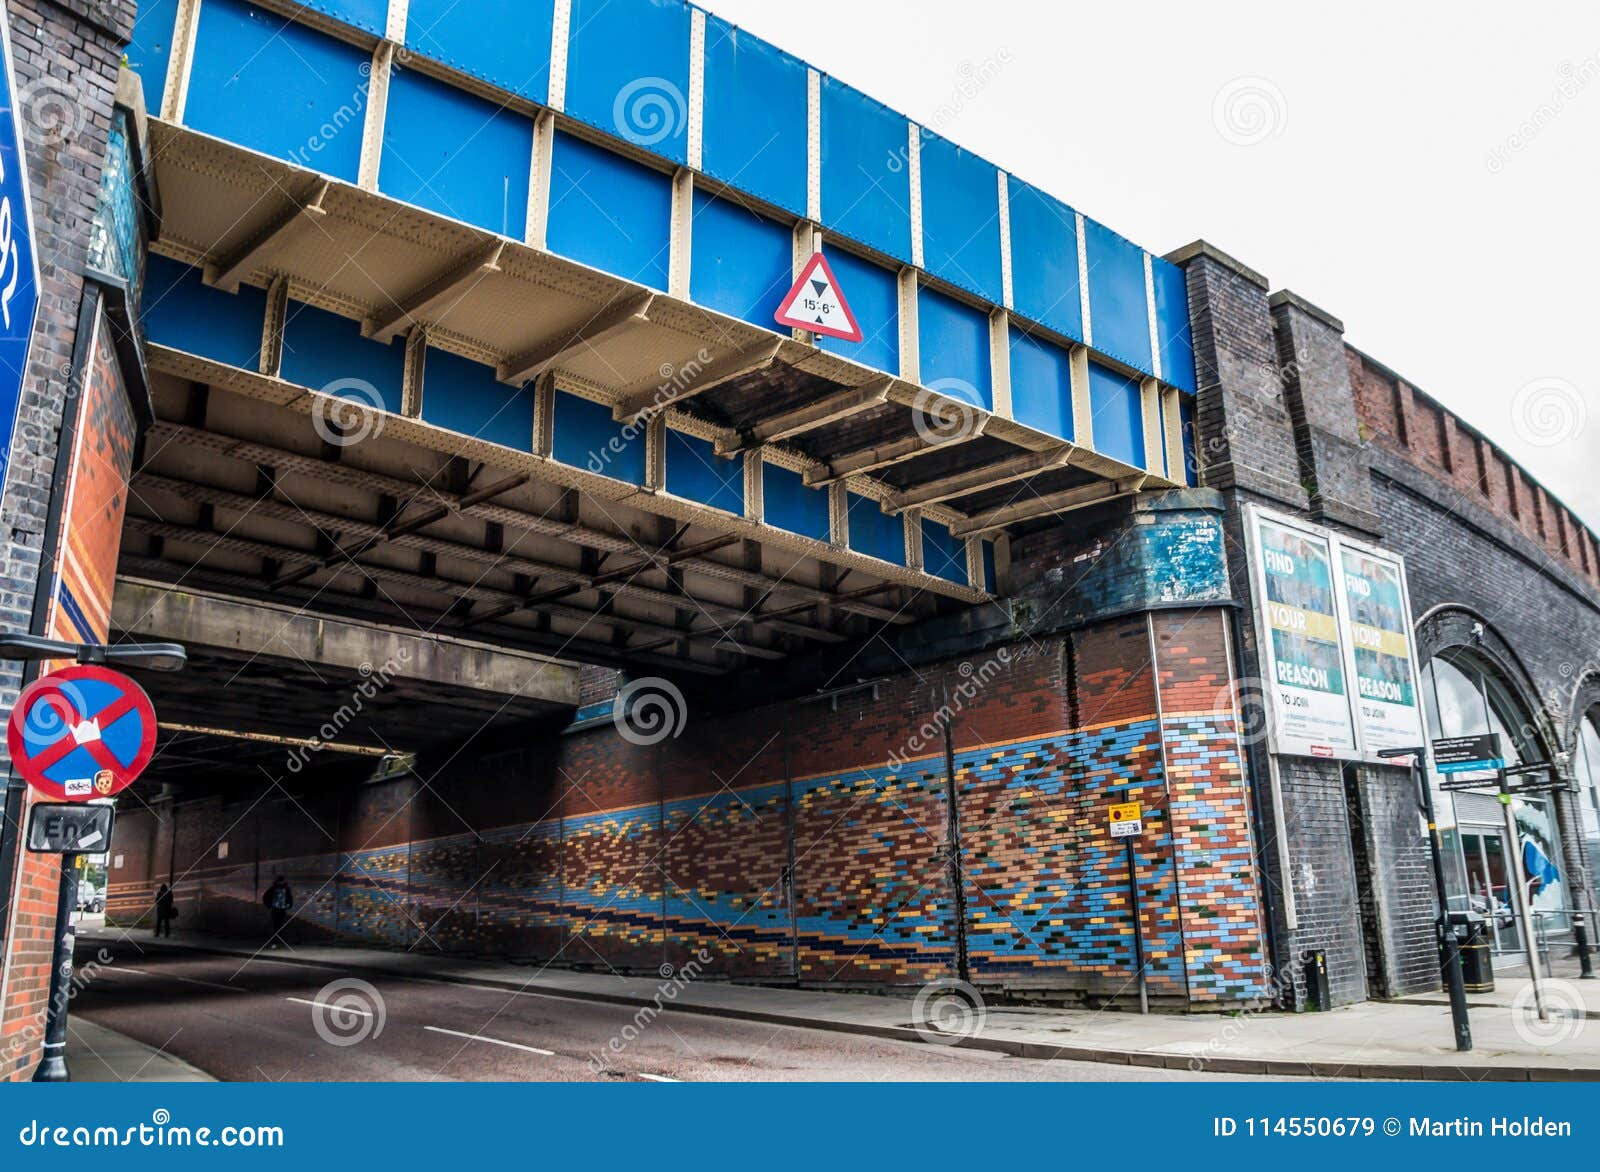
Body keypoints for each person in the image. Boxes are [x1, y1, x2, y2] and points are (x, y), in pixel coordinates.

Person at [262, 876, 294, 947]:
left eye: (282, 881)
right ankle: (275, 942)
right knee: (276, 925)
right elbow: (265, 897)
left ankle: (277, 941)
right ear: (277, 881)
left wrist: (288, 905)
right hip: (275, 909)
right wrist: (269, 905)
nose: (281, 883)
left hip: (282, 909)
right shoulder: (273, 888)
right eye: (280, 881)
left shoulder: (286, 889)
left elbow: (290, 898)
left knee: (280, 925)